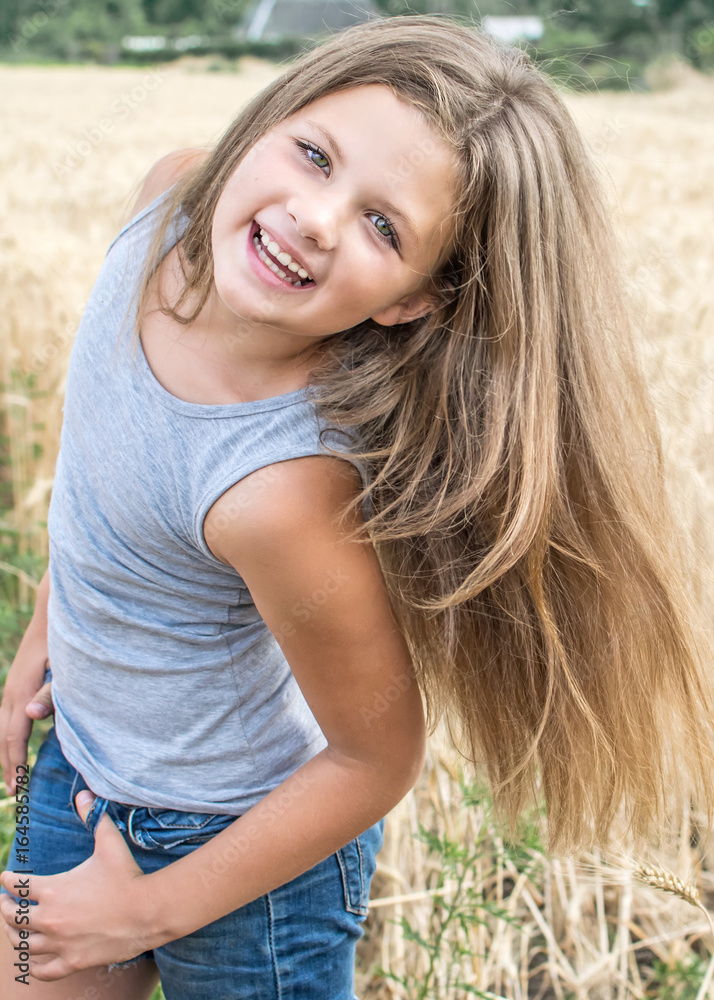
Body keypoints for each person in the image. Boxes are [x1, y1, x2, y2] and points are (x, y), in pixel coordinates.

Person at [1, 13, 713, 999]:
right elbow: (109, 453)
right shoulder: (165, 198)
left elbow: (376, 755)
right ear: (271, 116)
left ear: (412, 300)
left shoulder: (282, 489)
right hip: (82, 774)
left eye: (384, 226)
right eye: (313, 153)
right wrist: (53, 620)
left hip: (253, 856)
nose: (315, 216)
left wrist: (148, 912)